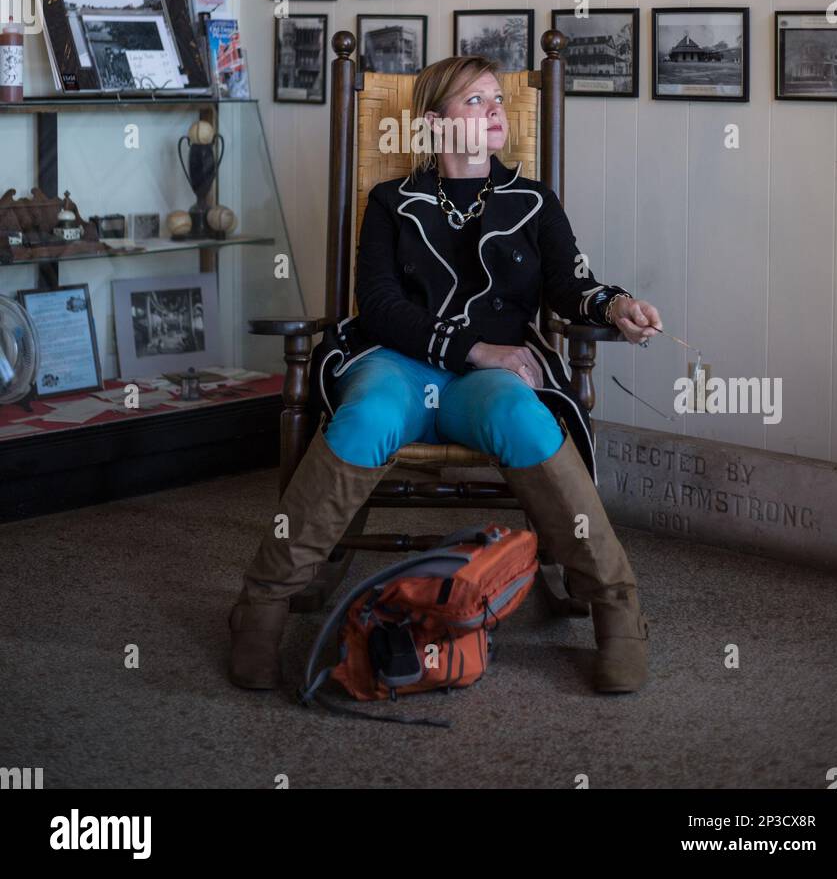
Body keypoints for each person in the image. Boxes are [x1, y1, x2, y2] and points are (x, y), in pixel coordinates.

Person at [229, 54, 663, 694]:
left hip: (485, 385)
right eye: (475, 101)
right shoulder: (392, 201)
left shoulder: (533, 202)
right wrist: (473, 348)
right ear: (433, 124)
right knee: (368, 414)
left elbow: (571, 287)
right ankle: (263, 603)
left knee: (522, 414)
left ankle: (617, 606)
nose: (496, 111)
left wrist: (615, 305)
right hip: (396, 365)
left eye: (496, 100)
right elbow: (379, 307)